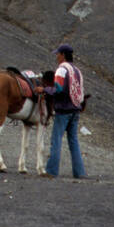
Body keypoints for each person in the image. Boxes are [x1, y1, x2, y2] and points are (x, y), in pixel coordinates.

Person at [40, 45, 86, 179]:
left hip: (63, 110)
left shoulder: (62, 69)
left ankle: (51, 171)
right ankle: (79, 172)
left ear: (63, 55)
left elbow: (58, 89)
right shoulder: (77, 70)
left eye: (58, 54)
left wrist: (44, 90)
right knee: (74, 141)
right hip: (75, 110)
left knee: (56, 140)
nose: (56, 57)